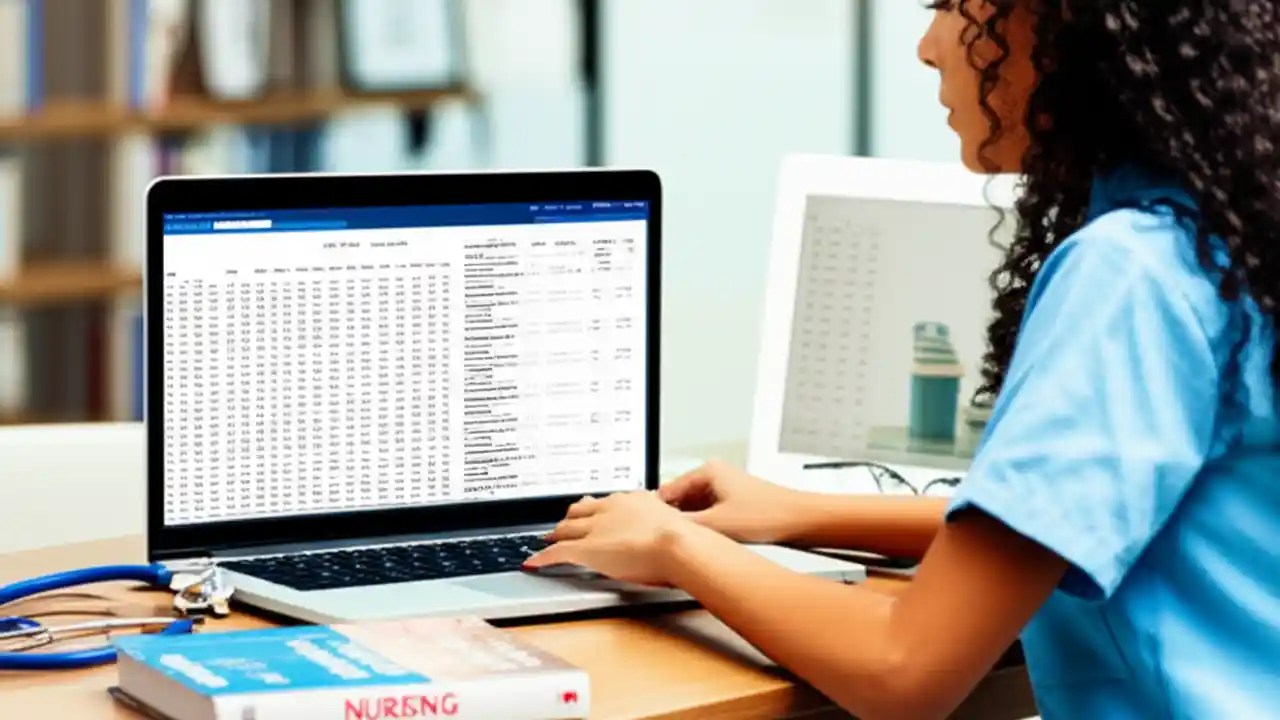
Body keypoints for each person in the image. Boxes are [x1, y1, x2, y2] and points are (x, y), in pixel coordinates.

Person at [524, 1, 1280, 718]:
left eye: (950, 6)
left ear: (1058, 22)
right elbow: (1060, 527)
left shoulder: (1130, 274)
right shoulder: (1221, 236)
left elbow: (903, 671)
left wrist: (672, 544)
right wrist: (798, 514)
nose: (929, 47)